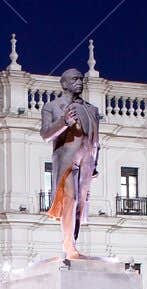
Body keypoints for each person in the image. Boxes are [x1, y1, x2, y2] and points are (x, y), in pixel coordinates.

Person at [39, 68, 102, 260]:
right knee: (70, 199)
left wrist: (95, 162)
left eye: (81, 79)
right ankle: (68, 244)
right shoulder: (53, 106)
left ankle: (71, 242)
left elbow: (96, 139)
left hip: (87, 161)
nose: (79, 82)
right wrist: (64, 122)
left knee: (81, 204)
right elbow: (45, 134)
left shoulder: (92, 110)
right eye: (74, 79)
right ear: (64, 84)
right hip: (67, 160)